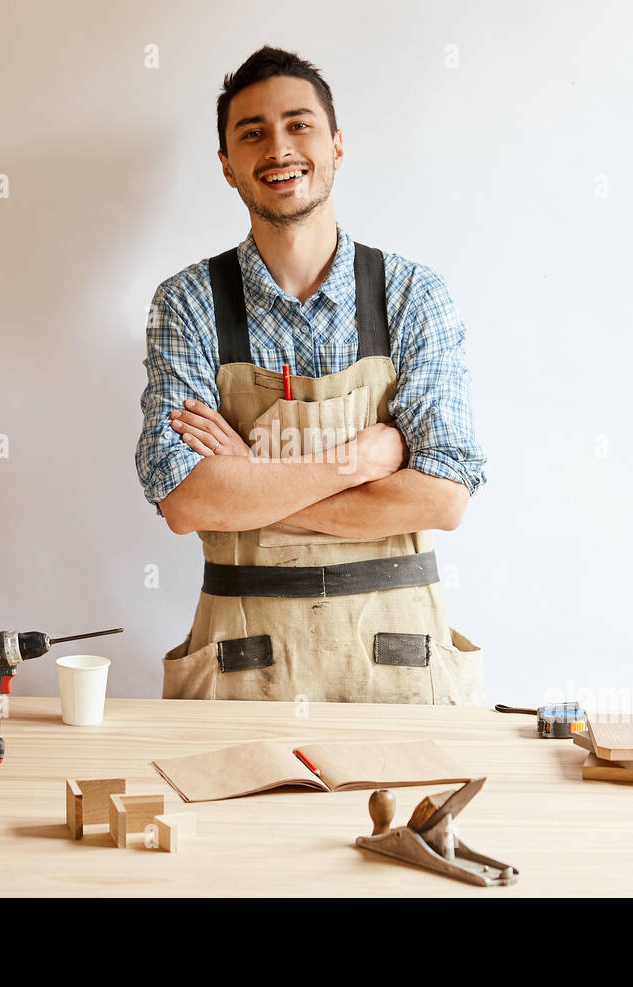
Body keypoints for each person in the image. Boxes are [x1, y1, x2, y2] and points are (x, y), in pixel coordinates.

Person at [135, 45, 488, 703]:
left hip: (400, 669)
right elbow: (186, 502)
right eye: (252, 132)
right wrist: (360, 459)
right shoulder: (187, 303)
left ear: (337, 145)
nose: (278, 146)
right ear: (227, 166)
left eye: (298, 124)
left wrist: (250, 479)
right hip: (241, 673)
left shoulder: (412, 295)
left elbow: (443, 498)